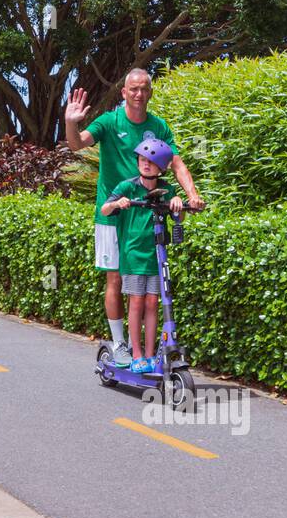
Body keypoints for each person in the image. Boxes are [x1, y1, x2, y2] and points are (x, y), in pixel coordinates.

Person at [64, 68, 204, 367]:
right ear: (124, 92)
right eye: (133, 89)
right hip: (114, 213)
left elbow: (176, 163)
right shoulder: (110, 122)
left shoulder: (158, 126)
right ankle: (119, 345)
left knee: (150, 290)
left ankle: (148, 351)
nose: (139, 94)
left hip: (145, 213)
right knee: (115, 278)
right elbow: (77, 144)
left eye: (144, 89)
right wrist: (70, 122)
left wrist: (192, 195)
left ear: (149, 93)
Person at [101, 139, 184, 374]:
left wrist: (176, 202)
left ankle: (150, 356)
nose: (146, 165)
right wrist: (118, 202)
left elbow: (180, 217)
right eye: (143, 160)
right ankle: (136, 354)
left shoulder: (167, 189)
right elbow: (105, 209)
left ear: (161, 167)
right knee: (136, 302)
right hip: (133, 254)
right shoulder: (127, 186)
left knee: (152, 303)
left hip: (156, 255)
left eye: (152, 162)